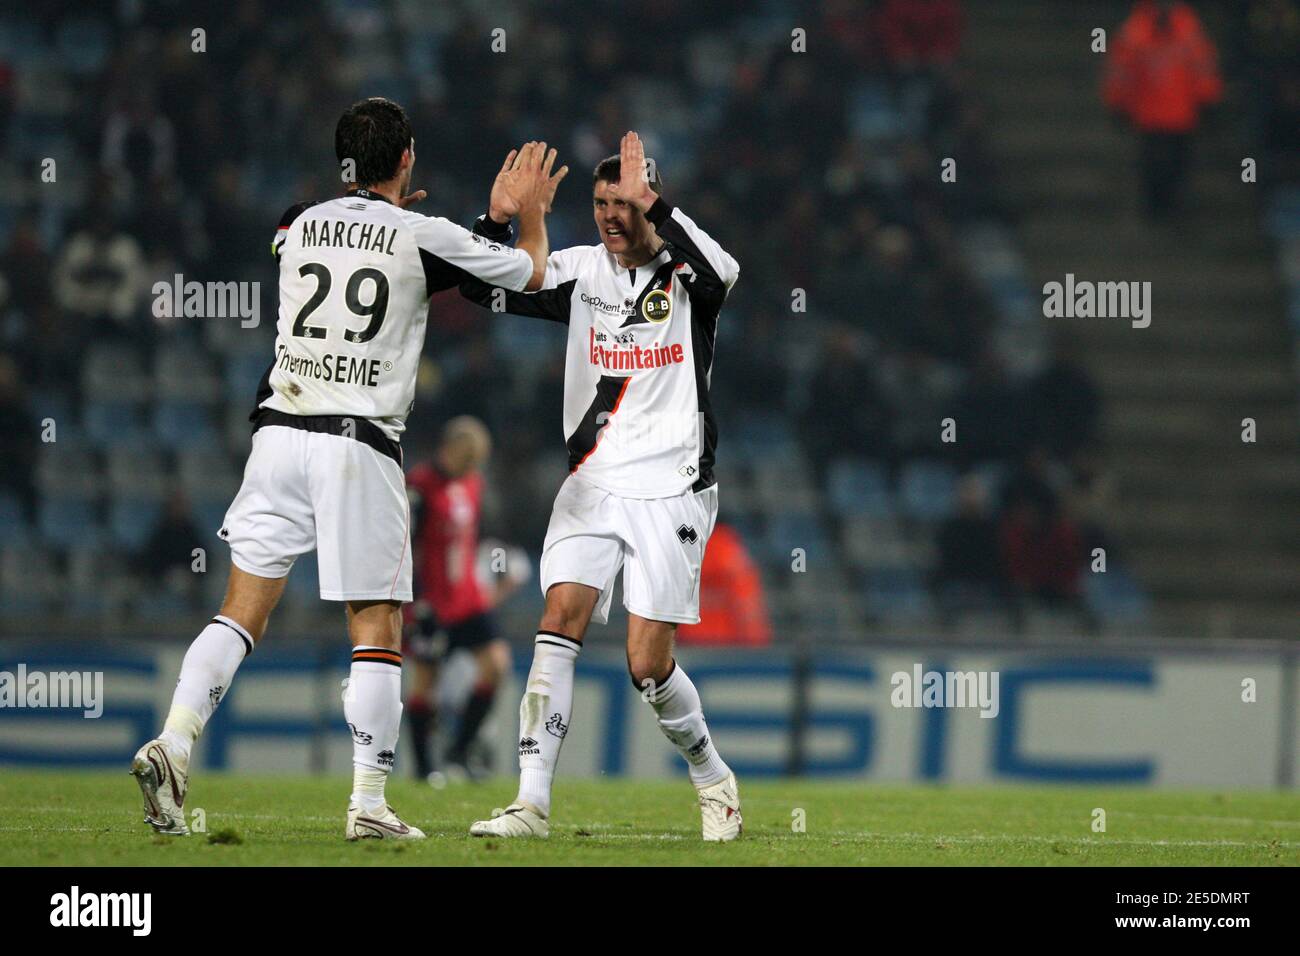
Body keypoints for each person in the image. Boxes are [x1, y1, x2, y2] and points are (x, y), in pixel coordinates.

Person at [130, 96, 567, 841]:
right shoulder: (420, 232)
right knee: (376, 621)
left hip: (277, 434)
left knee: (241, 610)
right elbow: (526, 277)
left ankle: (174, 741)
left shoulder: (294, 224)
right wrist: (518, 216)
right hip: (356, 443)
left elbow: (383, 258)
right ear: (407, 159)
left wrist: (413, 220)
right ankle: (368, 803)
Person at [459, 132, 744, 841]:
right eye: (599, 203)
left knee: (647, 665)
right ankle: (531, 803)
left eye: (624, 202)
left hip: (672, 485)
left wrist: (660, 207)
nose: (610, 216)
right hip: (593, 482)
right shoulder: (580, 271)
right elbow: (479, 284)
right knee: (557, 621)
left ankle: (711, 775)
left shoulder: (687, 279)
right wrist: (499, 221)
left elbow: (726, 273)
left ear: (649, 199)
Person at [404, 416, 522, 783]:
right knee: (427, 681)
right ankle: (425, 769)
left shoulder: (473, 484)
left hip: (468, 599)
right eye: (467, 457)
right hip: (431, 602)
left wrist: (499, 571)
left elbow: (487, 537)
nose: (471, 465)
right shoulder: (419, 486)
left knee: (497, 664)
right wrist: (417, 602)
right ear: (449, 448)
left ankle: (459, 750)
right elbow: (406, 546)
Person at [1103, 0, 1223, 218]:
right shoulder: (1135, 31)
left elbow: (1203, 67)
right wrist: (1118, 102)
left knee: (1179, 163)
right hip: (1150, 115)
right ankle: (1154, 207)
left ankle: (1174, 207)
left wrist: (1207, 97)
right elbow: (1121, 72)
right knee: (1152, 164)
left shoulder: (1188, 29)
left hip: (1181, 114)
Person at [676, 520, 772, 646]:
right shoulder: (727, 548)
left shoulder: (683, 548)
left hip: (692, 645)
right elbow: (748, 606)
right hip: (725, 646)